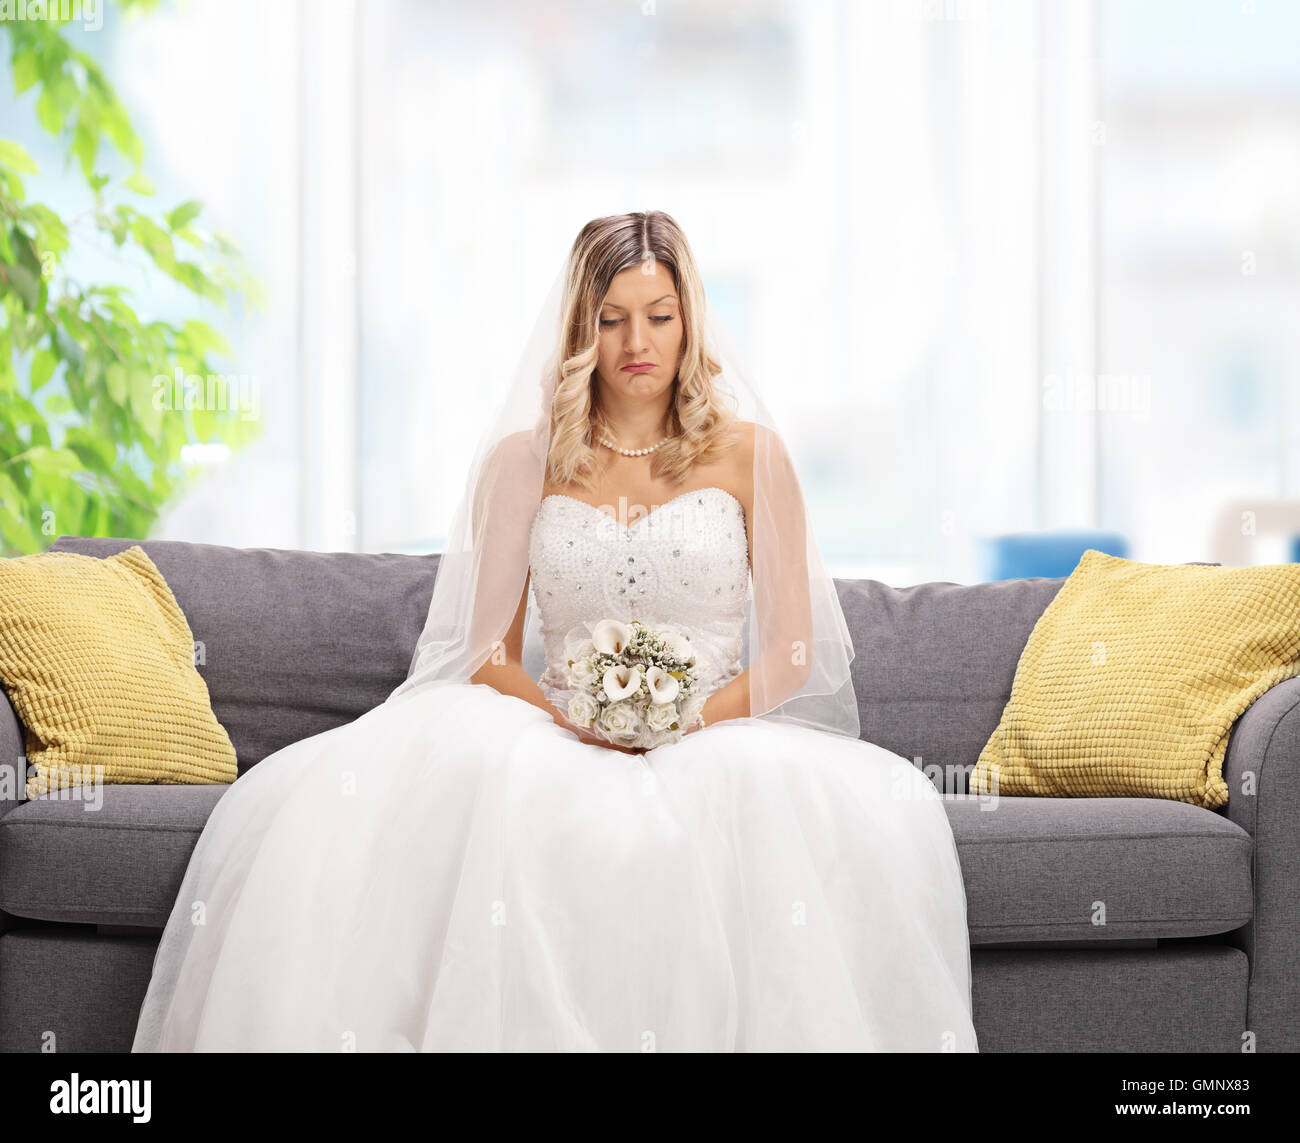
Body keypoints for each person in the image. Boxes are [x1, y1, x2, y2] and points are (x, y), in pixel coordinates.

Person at [132, 210, 977, 1052]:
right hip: (560, 729)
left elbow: (793, 654)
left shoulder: (750, 453)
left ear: (691, 320)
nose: (636, 341)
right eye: (611, 319)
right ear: (580, 326)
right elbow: (488, 653)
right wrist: (575, 721)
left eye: (659, 315)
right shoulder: (523, 461)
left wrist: (682, 721)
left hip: (716, 735)